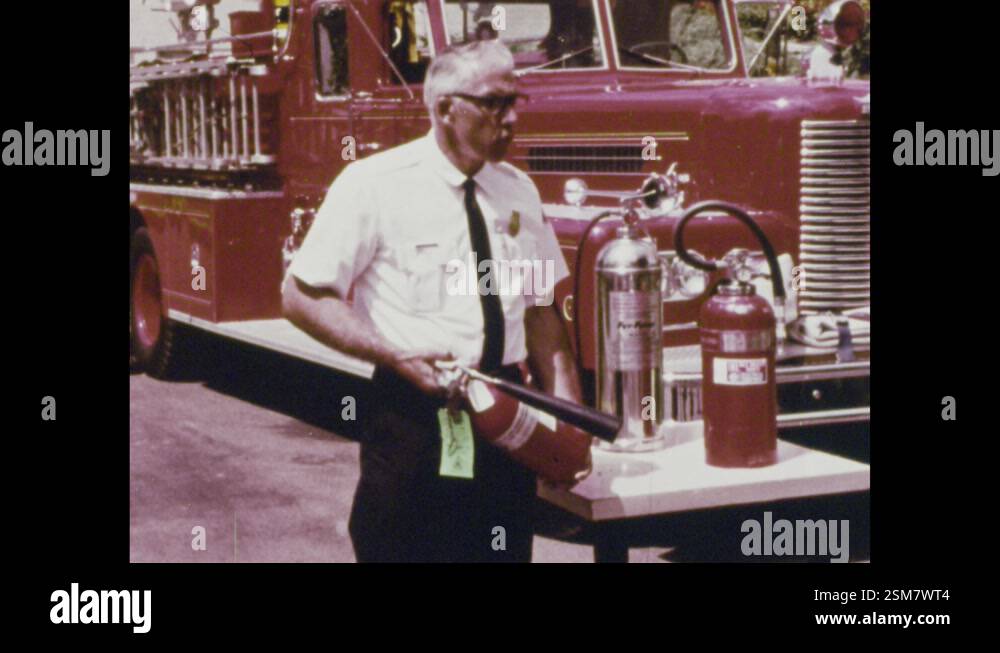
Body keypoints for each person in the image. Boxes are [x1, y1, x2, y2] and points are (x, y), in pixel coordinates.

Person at [281, 40, 583, 562]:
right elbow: (302, 295)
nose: (510, 118)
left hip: (506, 420)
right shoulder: (375, 185)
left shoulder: (519, 192)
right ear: (445, 108)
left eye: (516, 101)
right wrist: (393, 354)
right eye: (494, 103)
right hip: (412, 418)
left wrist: (569, 428)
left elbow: (541, 314)